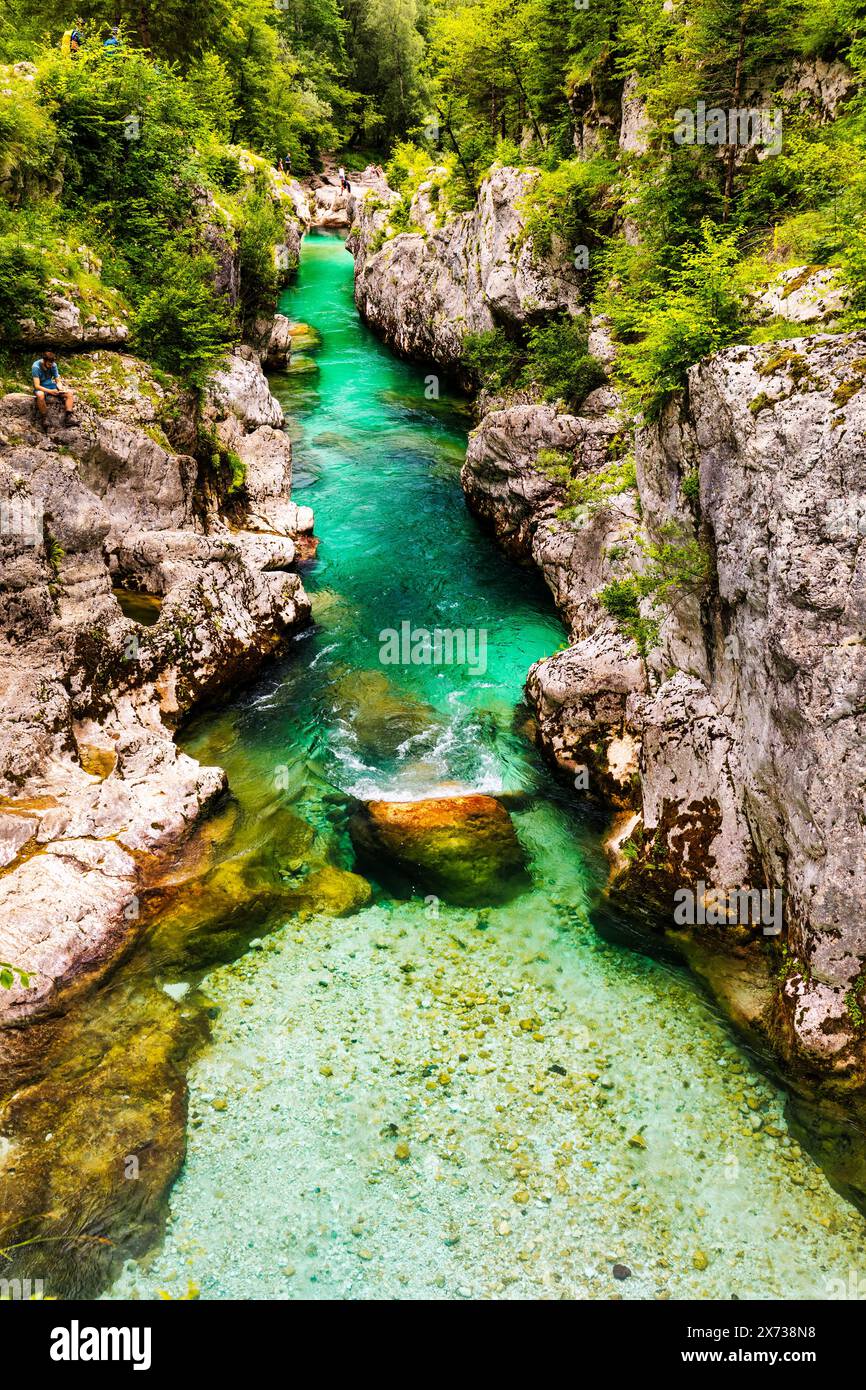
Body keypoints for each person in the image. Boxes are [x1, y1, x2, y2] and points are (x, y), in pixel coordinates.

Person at [32, 352, 75, 427]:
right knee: (40, 395)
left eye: (52, 364)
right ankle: (45, 418)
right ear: (44, 361)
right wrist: (51, 392)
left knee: (69, 393)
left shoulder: (53, 365)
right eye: (49, 364)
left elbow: (57, 380)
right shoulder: (36, 367)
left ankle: (68, 418)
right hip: (41, 387)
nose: (50, 366)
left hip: (51, 385)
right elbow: (37, 386)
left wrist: (60, 388)